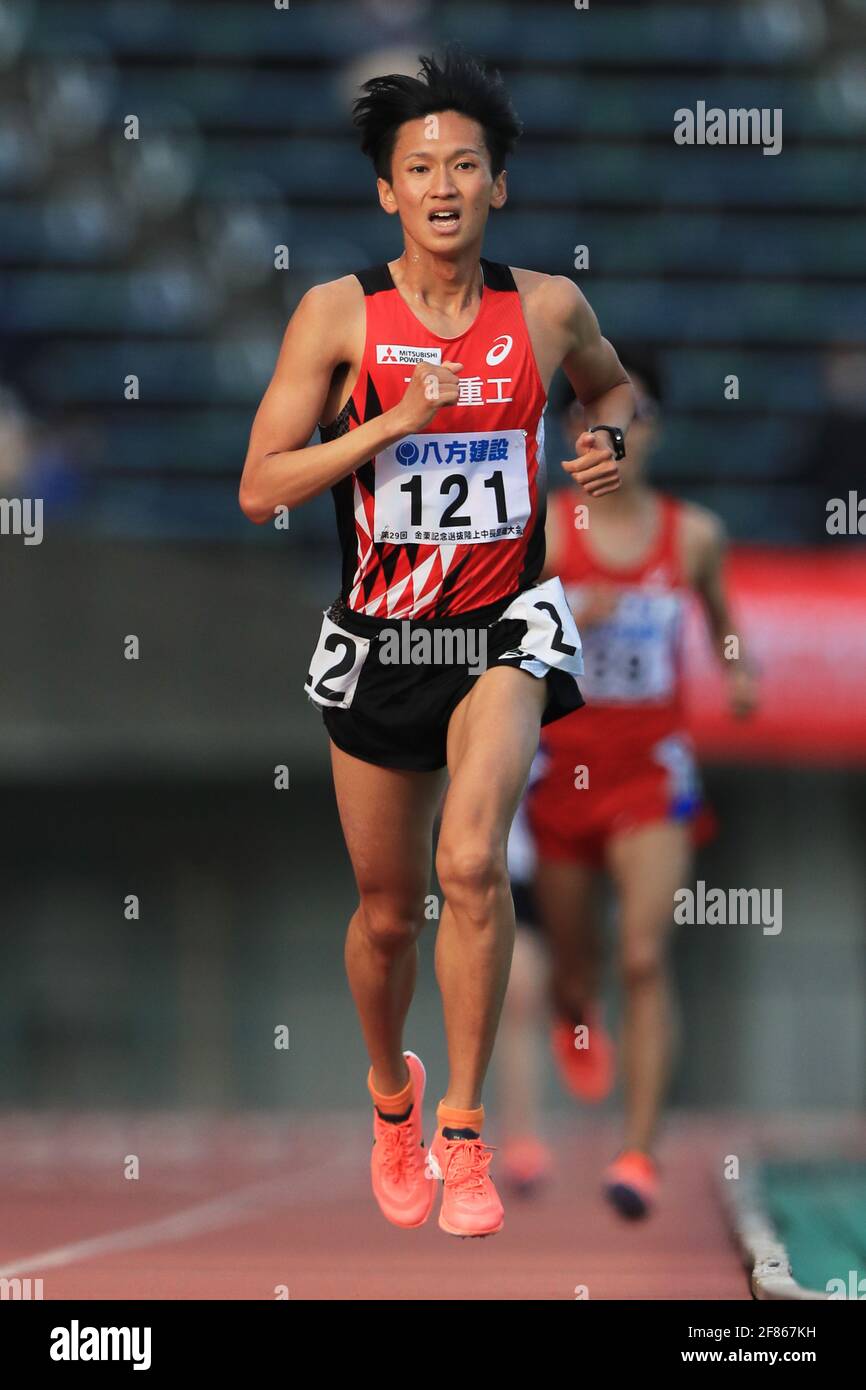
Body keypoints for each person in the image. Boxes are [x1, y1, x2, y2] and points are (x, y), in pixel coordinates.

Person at [239, 47, 633, 1238]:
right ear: (387, 191)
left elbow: (611, 391)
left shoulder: (546, 309)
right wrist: (389, 424)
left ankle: (464, 1129)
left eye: (464, 165)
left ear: (496, 185)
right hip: (379, 639)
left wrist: (606, 444)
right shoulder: (337, 315)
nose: (443, 185)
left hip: (499, 627)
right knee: (386, 913)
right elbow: (260, 486)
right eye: (419, 168)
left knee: (470, 863)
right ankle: (392, 1096)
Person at [497, 361, 758, 1217]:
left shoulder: (694, 536)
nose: (617, 432)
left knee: (642, 957)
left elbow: (723, 626)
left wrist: (739, 671)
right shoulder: (545, 531)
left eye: (635, 414)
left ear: (655, 429)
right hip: (563, 773)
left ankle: (639, 1154)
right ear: (574, 433)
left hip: (652, 773)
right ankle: (577, 1010)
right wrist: (570, 612)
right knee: (575, 971)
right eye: (598, 415)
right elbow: (491, 641)